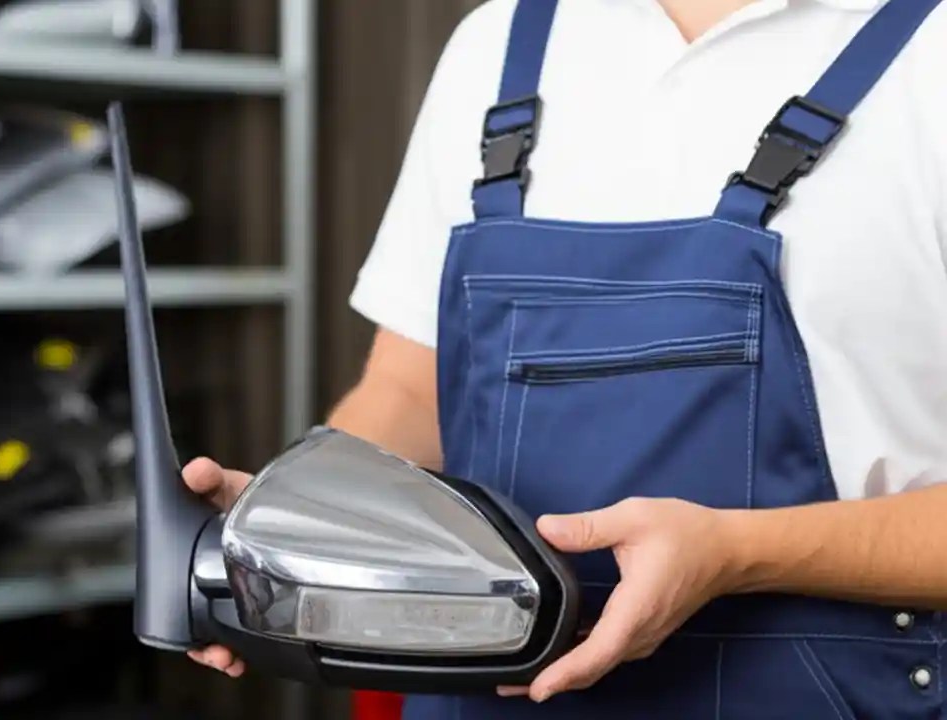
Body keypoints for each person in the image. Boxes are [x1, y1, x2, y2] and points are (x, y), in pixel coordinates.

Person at [183, 0, 947, 717]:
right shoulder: (501, 43)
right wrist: (298, 520)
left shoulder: (929, 53)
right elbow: (414, 390)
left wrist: (739, 554)